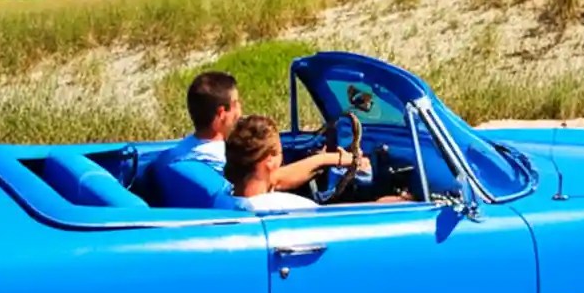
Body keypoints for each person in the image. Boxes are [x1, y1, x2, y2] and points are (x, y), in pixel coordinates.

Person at [151, 70, 363, 189]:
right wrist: (332, 159)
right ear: (221, 113)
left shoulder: (175, 154)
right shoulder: (219, 158)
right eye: (236, 104)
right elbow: (272, 180)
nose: (241, 110)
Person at [225, 115, 411, 212]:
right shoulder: (279, 206)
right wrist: (388, 203)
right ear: (270, 160)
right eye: (280, 153)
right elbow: (335, 217)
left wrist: (331, 159)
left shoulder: (223, 198)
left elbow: (279, 177)